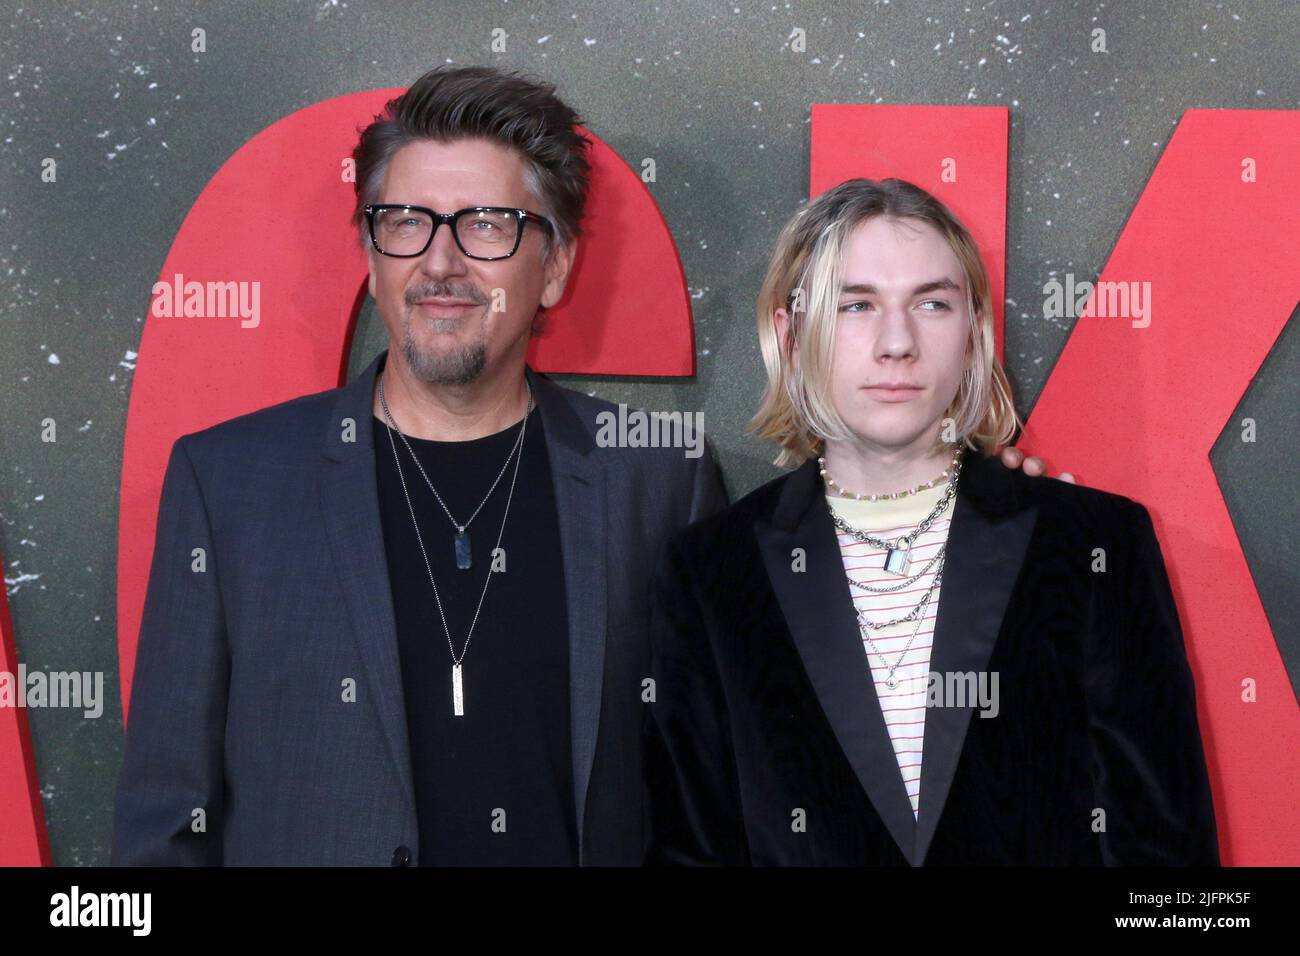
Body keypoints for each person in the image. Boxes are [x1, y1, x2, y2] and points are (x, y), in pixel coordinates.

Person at [643, 178, 1219, 865]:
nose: (897, 342)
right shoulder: (713, 569)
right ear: (792, 335)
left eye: (932, 303)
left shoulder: (1095, 543)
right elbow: (692, 849)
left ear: (974, 333)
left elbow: (1171, 859)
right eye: (856, 305)